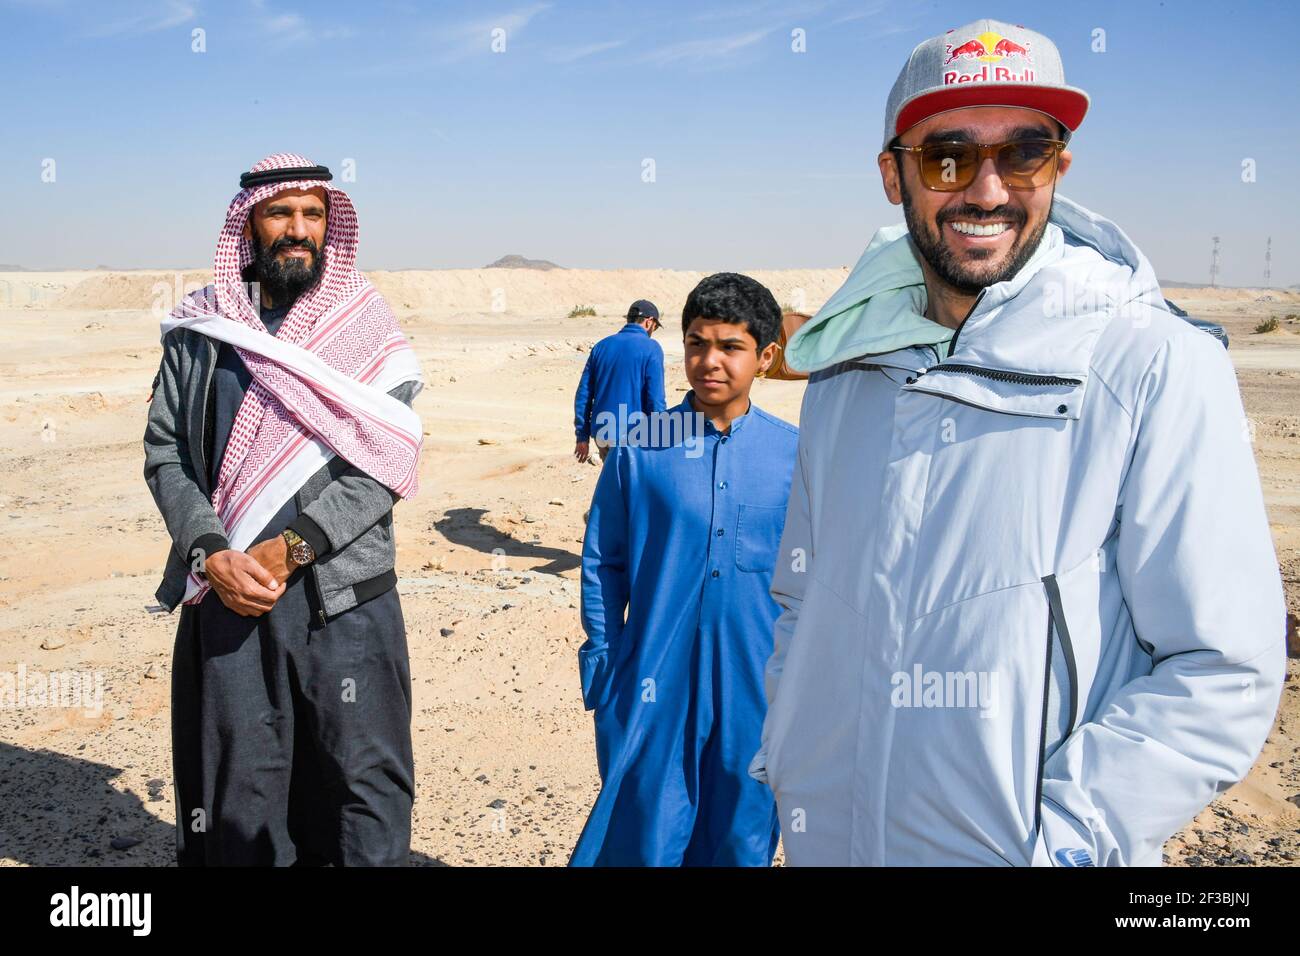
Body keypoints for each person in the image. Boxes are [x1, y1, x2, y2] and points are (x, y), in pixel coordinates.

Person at [750, 19, 1286, 866]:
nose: (988, 190)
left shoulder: (1148, 363)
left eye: (1024, 152)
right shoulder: (847, 378)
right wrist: (794, 759)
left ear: (1060, 169)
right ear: (894, 176)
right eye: (948, 157)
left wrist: (1063, 847)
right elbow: (801, 602)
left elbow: (1222, 666)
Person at [143, 153, 425, 866]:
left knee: (362, 785)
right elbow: (167, 453)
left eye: (313, 214)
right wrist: (209, 551)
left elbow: (385, 464)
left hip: (346, 602)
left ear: (332, 225)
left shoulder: (365, 329)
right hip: (230, 596)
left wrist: (293, 546)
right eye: (280, 213)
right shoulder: (203, 333)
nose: (297, 229)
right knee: (239, 787)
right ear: (249, 224)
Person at [571, 274, 797, 866]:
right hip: (652, 676)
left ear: (765, 357)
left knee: (742, 834)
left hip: (755, 682)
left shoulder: (795, 455)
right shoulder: (642, 446)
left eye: (730, 347)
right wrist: (605, 661)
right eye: (697, 343)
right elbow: (603, 560)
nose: (709, 361)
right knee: (647, 829)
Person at [573, 299, 666, 467]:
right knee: (634, 488)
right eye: (656, 327)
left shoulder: (601, 346)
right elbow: (655, 398)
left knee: (614, 483)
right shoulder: (651, 348)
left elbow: (583, 395)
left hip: (602, 433)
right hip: (633, 433)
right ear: (649, 322)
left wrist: (582, 436)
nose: (654, 331)